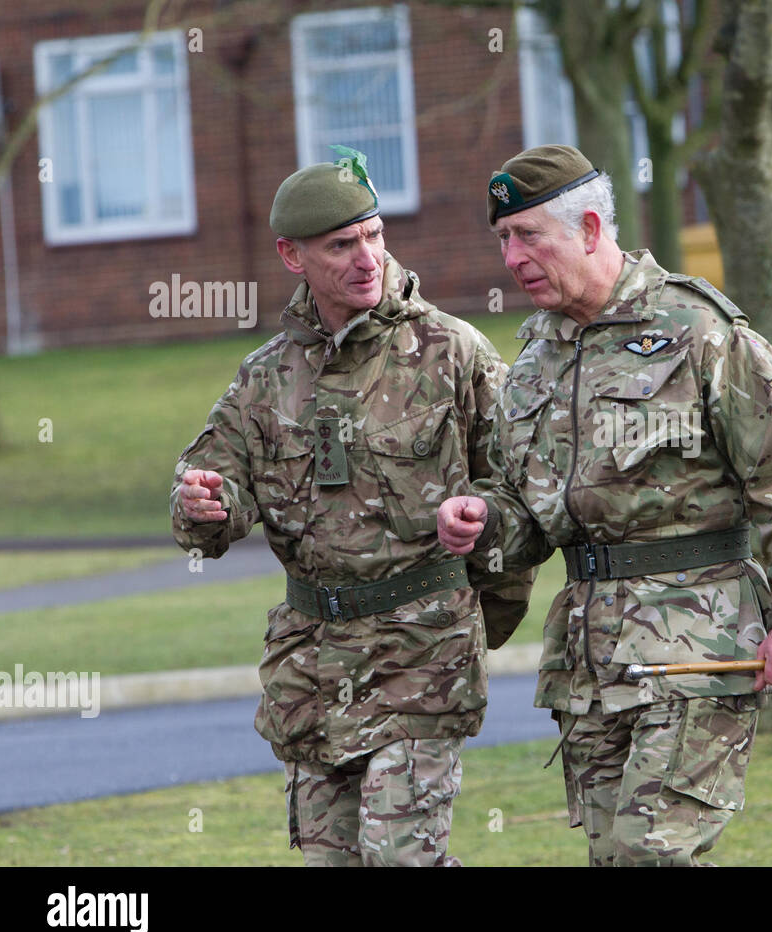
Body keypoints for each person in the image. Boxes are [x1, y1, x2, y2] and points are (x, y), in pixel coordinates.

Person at [436, 144, 772, 866]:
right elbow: (531, 515)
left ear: (590, 229)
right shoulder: (533, 362)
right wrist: (484, 520)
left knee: (654, 856)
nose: (512, 257)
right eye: (502, 239)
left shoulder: (698, 329)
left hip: (697, 642)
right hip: (589, 660)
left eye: (529, 235)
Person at [170, 150, 533, 866]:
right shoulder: (266, 375)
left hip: (420, 655)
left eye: (374, 234)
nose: (367, 258)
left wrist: (483, 520)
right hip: (312, 667)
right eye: (342, 245)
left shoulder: (453, 354)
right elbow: (216, 490)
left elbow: (526, 492)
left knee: (400, 858)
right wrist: (202, 505)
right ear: (292, 255)